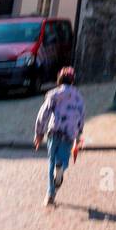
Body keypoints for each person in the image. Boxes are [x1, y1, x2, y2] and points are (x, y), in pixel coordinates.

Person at [34, 66, 85, 208]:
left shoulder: (53, 94)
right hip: (69, 133)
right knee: (63, 160)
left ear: (59, 81)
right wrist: (79, 133)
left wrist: (39, 133)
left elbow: (43, 114)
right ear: (73, 81)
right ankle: (61, 169)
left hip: (54, 131)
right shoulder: (79, 97)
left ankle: (50, 194)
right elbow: (81, 116)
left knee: (51, 162)